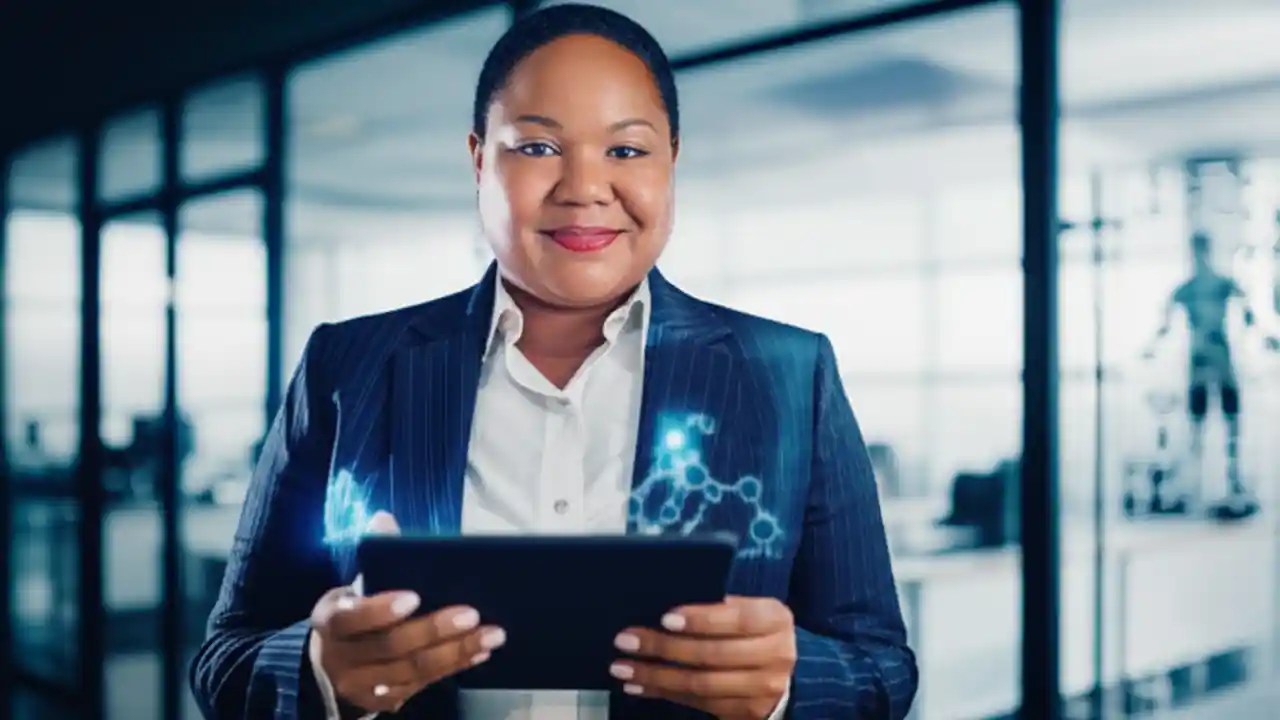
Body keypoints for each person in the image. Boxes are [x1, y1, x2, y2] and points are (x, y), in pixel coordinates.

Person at [190, 4, 916, 719]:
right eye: (537, 148)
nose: (584, 188)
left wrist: (785, 688)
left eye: (627, 150)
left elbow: (881, 667)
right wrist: (323, 672)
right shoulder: (346, 368)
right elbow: (225, 658)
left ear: (673, 162)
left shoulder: (792, 374)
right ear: (479, 160)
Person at [1143, 231, 1280, 507]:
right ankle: (1196, 483)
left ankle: (1232, 477)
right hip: (1201, 359)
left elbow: (1248, 314)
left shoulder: (1220, 284)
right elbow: (1166, 323)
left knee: (1230, 419)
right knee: (1198, 421)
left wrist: (1265, 336)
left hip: (1220, 357)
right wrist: (1152, 347)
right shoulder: (1189, 288)